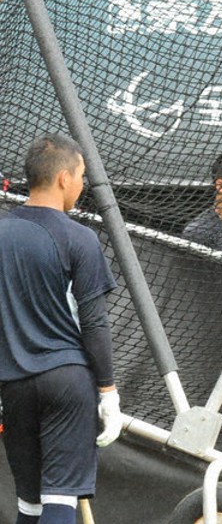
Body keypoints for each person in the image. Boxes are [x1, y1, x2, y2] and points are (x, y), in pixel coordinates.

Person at [0, 134, 123, 524]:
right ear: (64, 179)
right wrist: (108, 392)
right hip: (68, 382)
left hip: (13, 384)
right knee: (59, 501)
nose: (83, 184)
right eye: (82, 175)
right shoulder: (80, 237)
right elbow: (95, 322)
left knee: (28, 504)